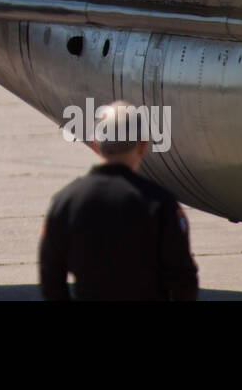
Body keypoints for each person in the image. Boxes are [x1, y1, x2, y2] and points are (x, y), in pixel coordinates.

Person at [39, 100, 199, 301]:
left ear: (95, 145)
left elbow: (51, 276)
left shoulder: (65, 202)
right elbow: (183, 278)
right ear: (142, 146)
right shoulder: (159, 204)